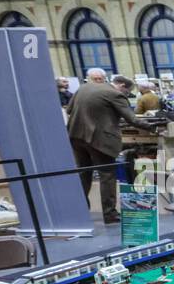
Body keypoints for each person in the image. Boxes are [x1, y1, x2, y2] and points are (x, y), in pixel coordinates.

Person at [65, 69, 157, 224]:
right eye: (127, 91)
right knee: (107, 175)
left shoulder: (82, 88)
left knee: (84, 174)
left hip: (76, 137)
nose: (127, 94)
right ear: (121, 85)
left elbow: (69, 110)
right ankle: (110, 214)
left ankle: (80, 211)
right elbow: (131, 119)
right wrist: (153, 128)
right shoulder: (114, 93)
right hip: (99, 139)